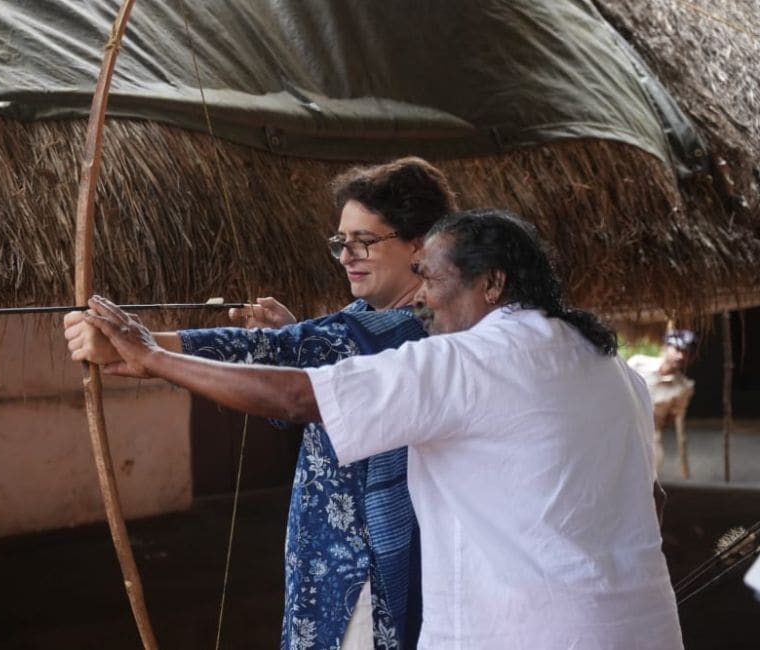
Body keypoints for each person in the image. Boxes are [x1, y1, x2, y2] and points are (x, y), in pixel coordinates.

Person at [69, 208, 682, 649]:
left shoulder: (471, 359)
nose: (421, 298)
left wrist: (153, 357)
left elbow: (302, 393)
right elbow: (647, 502)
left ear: (491, 283)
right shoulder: (609, 366)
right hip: (638, 624)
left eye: (433, 278)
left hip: (526, 630)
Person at [66, 157, 457, 649]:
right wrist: (289, 338)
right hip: (331, 553)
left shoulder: (409, 326)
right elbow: (309, 373)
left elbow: (296, 355)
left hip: (364, 565)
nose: (347, 255)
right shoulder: (369, 316)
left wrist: (144, 347)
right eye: (341, 242)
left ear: (420, 244)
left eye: (365, 241)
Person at [628, 330, 697, 478]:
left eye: (686, 353)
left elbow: (672, 417)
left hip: (650, 436)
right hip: (620, 428)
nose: (681, 356)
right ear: (665, 347)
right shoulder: (638, 363)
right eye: (678, 350)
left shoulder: (684, 387)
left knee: (650, 478)